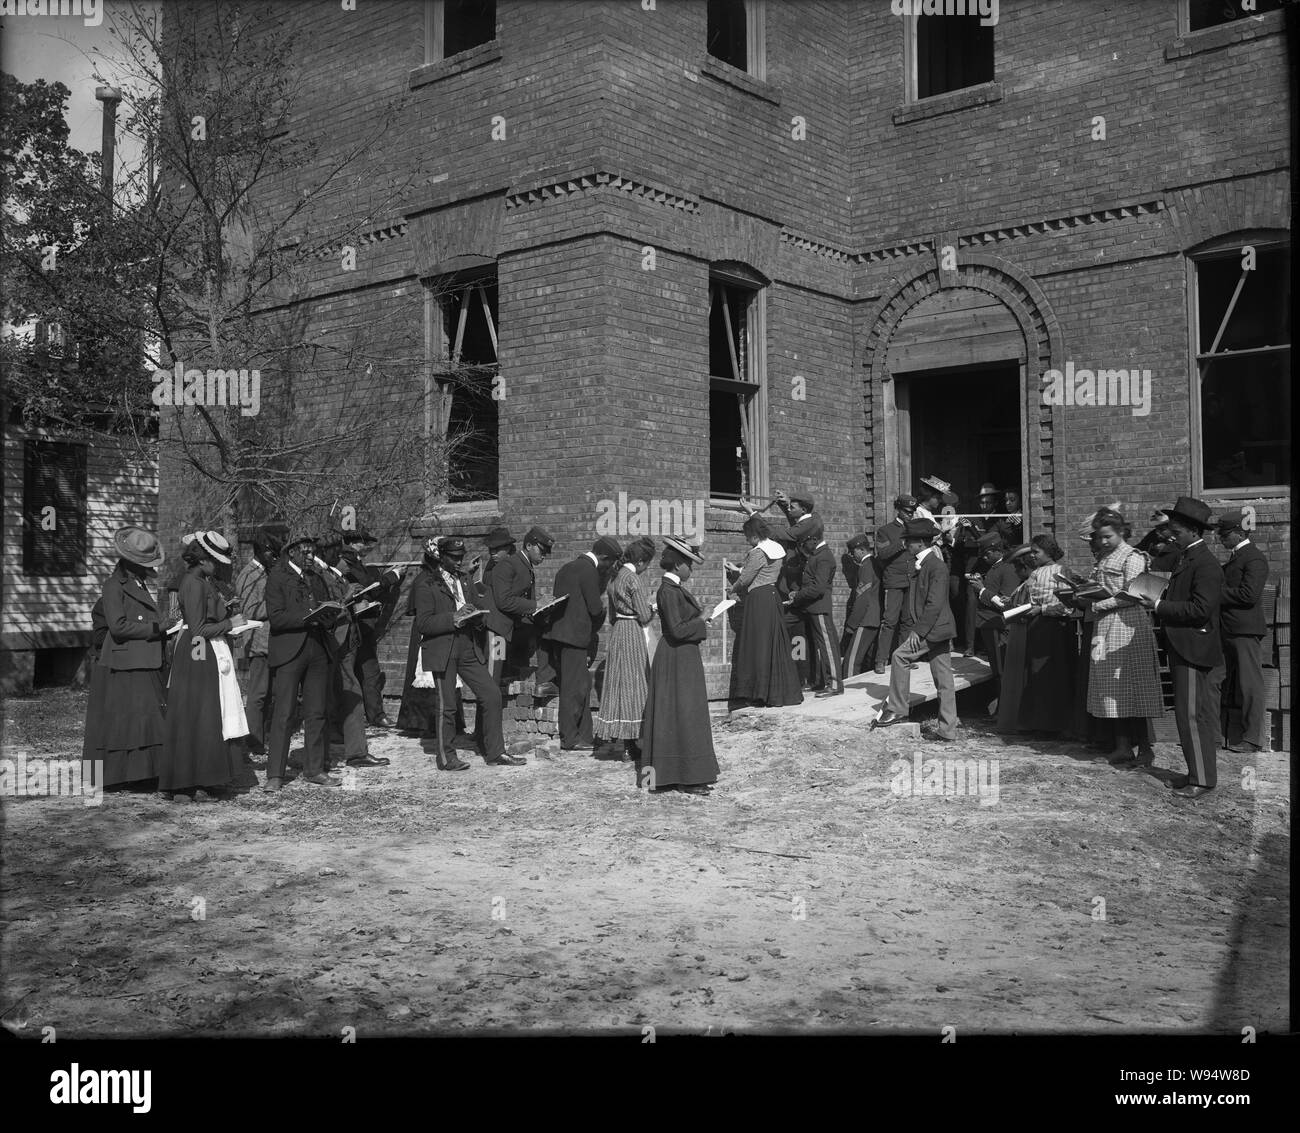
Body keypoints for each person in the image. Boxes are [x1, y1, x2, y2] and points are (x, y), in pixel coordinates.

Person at [1136, 497, 1224, 801]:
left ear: (1192, 531)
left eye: (1175, 530)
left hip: (1192, 648)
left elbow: (1200, 609)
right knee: (1188, 716)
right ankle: (1195, 772)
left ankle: (1202, 780)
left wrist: (1159, 605)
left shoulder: (1206, 564)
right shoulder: (1188, 558)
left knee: (1191, 717)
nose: (1170, 535)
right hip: (1183, 645)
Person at [413, 536, 520, 769]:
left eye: (461, 557)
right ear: (441, 557)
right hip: (443, 649)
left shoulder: (464, 579)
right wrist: (453, 618)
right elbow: (423, 623)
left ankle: (495, 753)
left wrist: (477, 616)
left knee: (491, 694)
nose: (459, 562)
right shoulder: (426, 582)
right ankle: (446, 757)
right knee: (448, 705)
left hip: (467, 647)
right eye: (454, 558)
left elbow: (474, 606)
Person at [161, 530, 248, 800]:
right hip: (197, 653)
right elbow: (198, 629)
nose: (219, 564)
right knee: (195, 715)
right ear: (202, 559)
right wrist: (230, 625)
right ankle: (185, 781)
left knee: (204, 716)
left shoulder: (204, 581)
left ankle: (202, 777)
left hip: (202, 651)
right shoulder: (193, 584)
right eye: (215, 559)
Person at [83, 527, 169, 789]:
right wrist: (157, 629)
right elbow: (118, 626)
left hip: (142, 659)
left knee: (143, 719)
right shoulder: (113, 586)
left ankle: (143, 773)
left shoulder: (138, 583)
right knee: (124, 721)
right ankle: (120, 776)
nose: (149, 569)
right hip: (123, 662)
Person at [640, 537, 720, 794]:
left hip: (682, 656)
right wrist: (702, 619)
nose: (692, 571)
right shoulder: (668, 591)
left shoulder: (672, 589)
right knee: (684, 713)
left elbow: (681, 625)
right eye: (690, 565)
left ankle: (683, 773)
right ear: (678, 565)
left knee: (683, 713)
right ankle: (685, 776)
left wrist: (698, 621)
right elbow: (675, 630)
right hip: (677, 657)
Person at [1084, 514, 1162, 769]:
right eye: (1101, 537)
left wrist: (1099, 603)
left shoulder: (1133, 557)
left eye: (1109, 536)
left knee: (1133, 685)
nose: (1104, 541)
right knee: (1111, 688)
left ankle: (1146, 749)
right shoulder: (1105, 558)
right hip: (1106, 624)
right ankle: (1122, 745)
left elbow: (1136, 593)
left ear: (1123, 533)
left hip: (1128, 625)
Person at [871, 517, 959, 741]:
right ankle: (947, 731)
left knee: (899, 656)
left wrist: (918, 632)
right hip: (937, 629)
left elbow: (934, 604)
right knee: (944, 680)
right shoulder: (923, 563)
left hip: (933, 629)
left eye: (908, 541)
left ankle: (899, 709)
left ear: (920, 542)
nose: (905, 545)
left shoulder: (935, 566)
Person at [265, 531, 338, 791]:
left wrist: (330, 615)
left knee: (316, 712)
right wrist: (308, 617)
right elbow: (276, 618)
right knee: (284, 713)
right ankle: (275, 774)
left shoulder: (316, 578)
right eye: (305, 552)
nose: (311, 556)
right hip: (289, 652)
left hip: (317, 649)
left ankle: (314, 769)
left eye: (312, 552)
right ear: (292, 552)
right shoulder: (277, 577)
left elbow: (323, 606)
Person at [317, 536, 389, 770]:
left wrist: (358, 604)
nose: (343, 562)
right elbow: (321, 610)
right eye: (339, 557)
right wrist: (346, 598)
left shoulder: (333, 574)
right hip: (335, 644)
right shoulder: (320, 575)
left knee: (346, 695)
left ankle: (348, 750)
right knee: (345, 695)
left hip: (348, 642)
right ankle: (349, 753)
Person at [545, 536, 622, 751]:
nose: (610, 567)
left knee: (581, 686)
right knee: (574, 689)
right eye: (611, 562)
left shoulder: (567, 568)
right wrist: (604, 613)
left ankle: (585, 736)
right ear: (604, 558)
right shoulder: (589, 571)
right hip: (575, 638)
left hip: (561, 636)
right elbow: (595, 608)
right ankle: (570, 738)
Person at [727, 516, 802, 706]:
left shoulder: (757, 552)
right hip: (772, 595)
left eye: (747, 536)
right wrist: (739, 571)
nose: (746, 540)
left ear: (753, 535)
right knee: (773, 644)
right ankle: (777, 692)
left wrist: (732, 589)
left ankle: (760, 693)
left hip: (758, 599)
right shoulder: (775, 549)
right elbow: (760, 572)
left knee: (758, 644)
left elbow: (746, 579)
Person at [594, 537, 657, 756]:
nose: (647, 568)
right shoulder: (634, 580)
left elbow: (611, 614)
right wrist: (653, 608)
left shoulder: (614, 578)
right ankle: (632, 743)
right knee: (635, 683)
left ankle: (620, 740)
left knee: (618, 684)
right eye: (647, 564)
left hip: (618, 631)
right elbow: (645, 615)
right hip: (632, 631)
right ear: (641, 562)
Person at [1011, 535, 1078, 735]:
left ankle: (1056, 725)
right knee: (1036, 675)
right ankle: (1038, 723)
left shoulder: (1061, 571)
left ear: (1049, 552)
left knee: (1053, 675)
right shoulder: (1036, 573)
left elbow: (1067, 606)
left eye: (1036, 552)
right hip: (1036, 627)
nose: (1032, 555)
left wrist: (1042, 609)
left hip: (1055, 629)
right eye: (1031, 551)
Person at [1216, 507, 1269, 754]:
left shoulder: (1253, 558)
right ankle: (1218, 735)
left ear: (1238, 533)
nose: (1221, 538)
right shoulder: (1237, 557)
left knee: (1250, 685)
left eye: (1225, 534)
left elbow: (1249, 595)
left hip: (1245, 631)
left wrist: (1216, 594)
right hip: (1229, 630)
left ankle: (1253, 739)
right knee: (1219, 681)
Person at [338, 529, 405, 727]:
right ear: (352, 543)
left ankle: (375, 715)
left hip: (364, 627)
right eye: (363, 542)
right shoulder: (343, 565)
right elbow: (367, 587)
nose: (366, 546)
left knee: (371, 672)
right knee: (350, 675)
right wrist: (391, 576)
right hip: (351, 627)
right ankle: (352, 719)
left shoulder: (357, 563)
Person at [487, 525, 554, 684]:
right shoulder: (508, 565)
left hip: (510, 630)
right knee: (491, 681)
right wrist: (537, 604)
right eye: (541, 551)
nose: (543, 556)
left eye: (546, 553)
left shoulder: (524, 566)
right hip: (497, 631)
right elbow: (504, 601)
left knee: (501, 680)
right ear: (529, 546)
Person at [234, 534, 280, 755]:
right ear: (260, 551)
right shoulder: (249, 575)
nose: (274, 557)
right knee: (258, 696)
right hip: (257, 642)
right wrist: (277, 605)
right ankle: (253, 742)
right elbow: (249, 612)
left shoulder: (264, 572)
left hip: (269, 643)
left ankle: (261, 740)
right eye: (271, 553)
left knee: (268, 695)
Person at [786, 523, 842, 697]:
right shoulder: (817, 555)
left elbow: (818, 588)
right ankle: (821, 682)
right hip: (813, 607)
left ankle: (834, 685)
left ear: (814, 539)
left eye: (805, 541)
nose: (802, 545)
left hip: (819, 607)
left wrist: (798, 596)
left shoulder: (823, 556)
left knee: (827, 646)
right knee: (820, 646)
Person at [397, 538, 445, 736]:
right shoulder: (424, 580)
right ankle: (422, 723)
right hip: (425, 632)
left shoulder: (440, 578)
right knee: (423, 673)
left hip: (437, 630)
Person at [967, 530, 1019, 696]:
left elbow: (1006, 603)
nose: (984, 558)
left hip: (998, 625)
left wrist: (982, 590)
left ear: (997, 550)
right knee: (996, 668)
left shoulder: (1008, 569)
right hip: (989, 625)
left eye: (987, 554)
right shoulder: (995, 567)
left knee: (1002, 669)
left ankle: (1004, 708)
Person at [874, 495, 917, 674]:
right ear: (898, 509)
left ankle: (904, 658)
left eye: (912, 512)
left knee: (908, 621)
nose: (910, 515)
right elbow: (882, 554)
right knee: (889, 621)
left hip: (912, 579)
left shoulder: (915, 528)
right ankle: (880, 661)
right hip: (893, 581)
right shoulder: (885, 530)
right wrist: (901, 543)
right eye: (907, 511)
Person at [841, 532, 883, 678]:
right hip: (874, 618)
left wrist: (851, 624)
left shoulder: (866, 566)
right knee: (868, 661)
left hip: (865, 619)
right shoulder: (875, 563)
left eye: (853, 552)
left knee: (851, 662)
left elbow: (862, 599)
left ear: (861, 550)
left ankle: (848, 695)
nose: (852, 556)